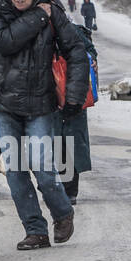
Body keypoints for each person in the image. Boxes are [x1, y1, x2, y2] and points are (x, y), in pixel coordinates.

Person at [0, 0, 89, 250]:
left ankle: (62, 212)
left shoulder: (53, 10)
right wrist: (36, 18)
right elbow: (5, 42)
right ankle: (35, 230)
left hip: (40, 104)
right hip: (5, 105)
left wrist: (74, 96)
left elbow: (76, 51)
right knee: (15, 171)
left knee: (43, 167)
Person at [54, 23, 96, 205]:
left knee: (68, 143)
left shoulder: (70, 30)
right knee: (56, 143)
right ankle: (60, 188)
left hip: (73, 92)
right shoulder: (34, 28)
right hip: (50, 94)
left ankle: (69, 190)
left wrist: (91, 58)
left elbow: (90, 51)